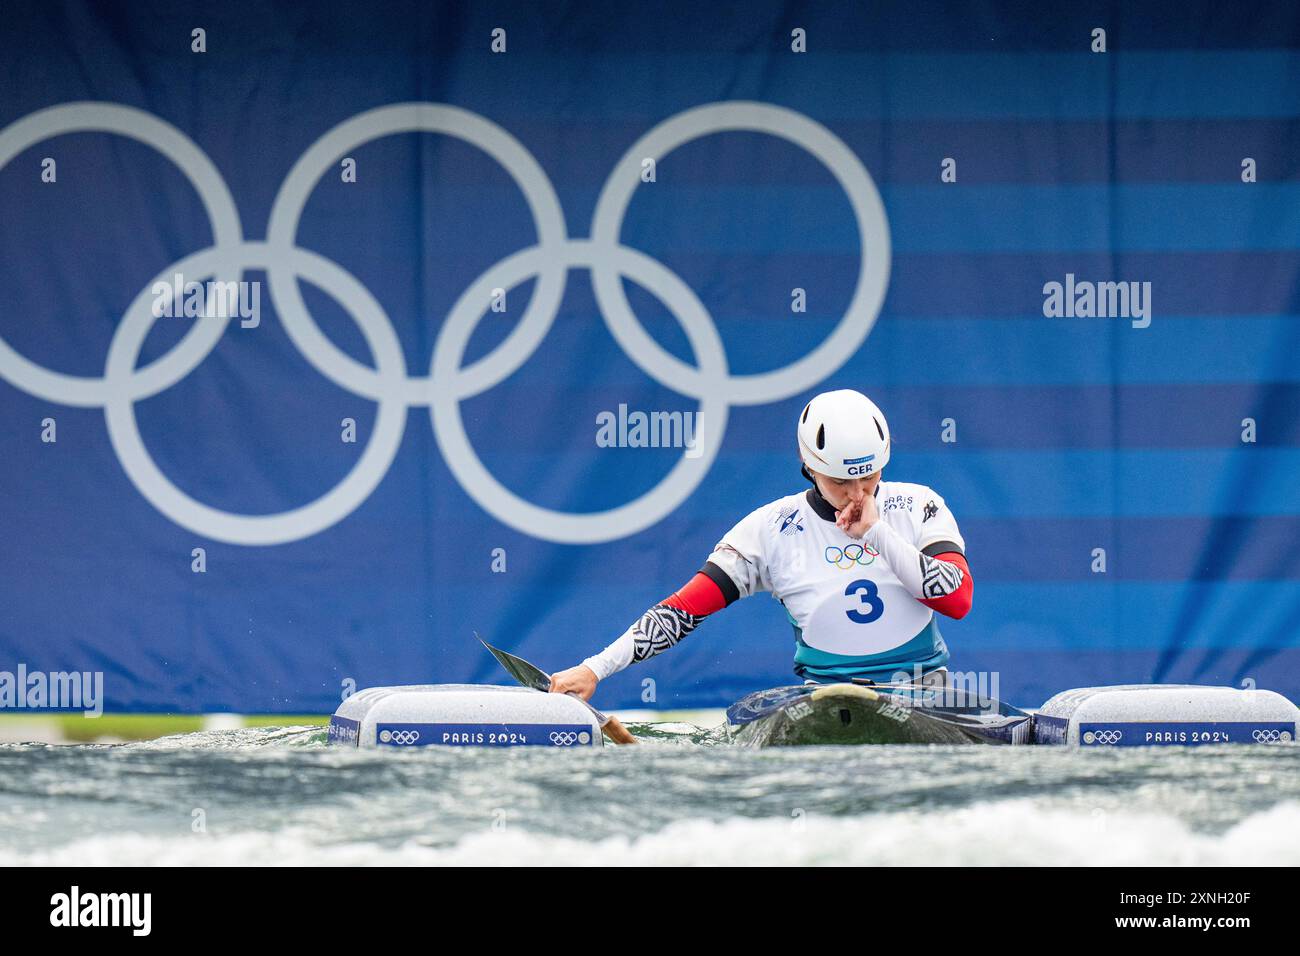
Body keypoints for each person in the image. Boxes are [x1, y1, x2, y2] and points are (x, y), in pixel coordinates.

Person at [549, 389, 973, 701]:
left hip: (926, 695)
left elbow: (957, 599)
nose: (858, 493)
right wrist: (594, 669)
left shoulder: (919, 505)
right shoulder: (769, 530)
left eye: (869, 476)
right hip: (828, 702)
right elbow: (683, 610)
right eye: (841, 481)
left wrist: (878, 532)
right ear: (809, 465)